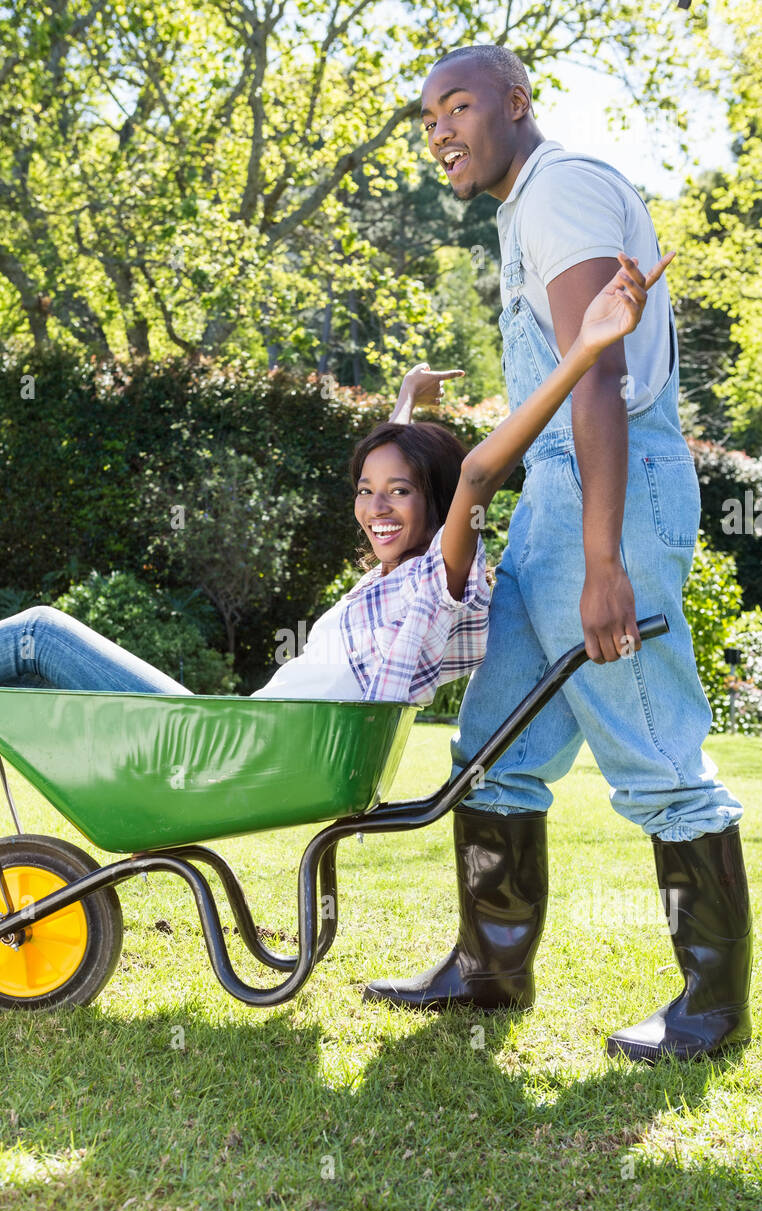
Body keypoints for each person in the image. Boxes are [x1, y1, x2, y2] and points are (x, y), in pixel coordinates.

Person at [363, 44, 752, 1066]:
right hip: (556, 497)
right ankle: (489, 969)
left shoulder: (561, 189)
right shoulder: (523, 206)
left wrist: (601, 560)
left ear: (514, 103)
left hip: (603, 496)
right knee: (490, 749)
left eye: (457, 105)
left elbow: (597, 374)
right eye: (425, 116)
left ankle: (709, 1008)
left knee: (653, 751)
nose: (438, 129)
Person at [0, 252, 660, 739]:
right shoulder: (392, 579)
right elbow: (392, 481)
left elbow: (473, 475)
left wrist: (585, 348)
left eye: (399, 495)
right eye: (366, 494)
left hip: (225, 747)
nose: (376, 509)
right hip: (232, 735)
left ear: (436, 506)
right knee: (17, 642)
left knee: (36, 633)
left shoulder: (439, 582)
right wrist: (403, 400)